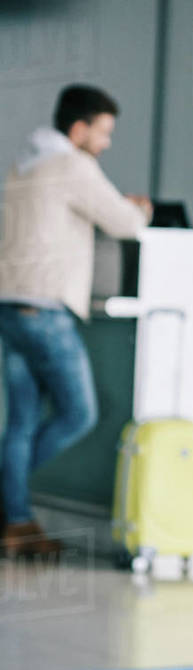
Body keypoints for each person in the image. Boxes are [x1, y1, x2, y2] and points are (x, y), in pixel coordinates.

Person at [0, 85, 151, 559]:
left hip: (10, 305)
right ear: (80, 127)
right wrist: (140, 208)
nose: (106, 143)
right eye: (104, 133)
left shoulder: (22, 165)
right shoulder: (70, 165)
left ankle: (16, 520)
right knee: (78, 413)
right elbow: (125, 223)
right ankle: (10, 500)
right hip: (43, 308)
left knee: (22, 423)